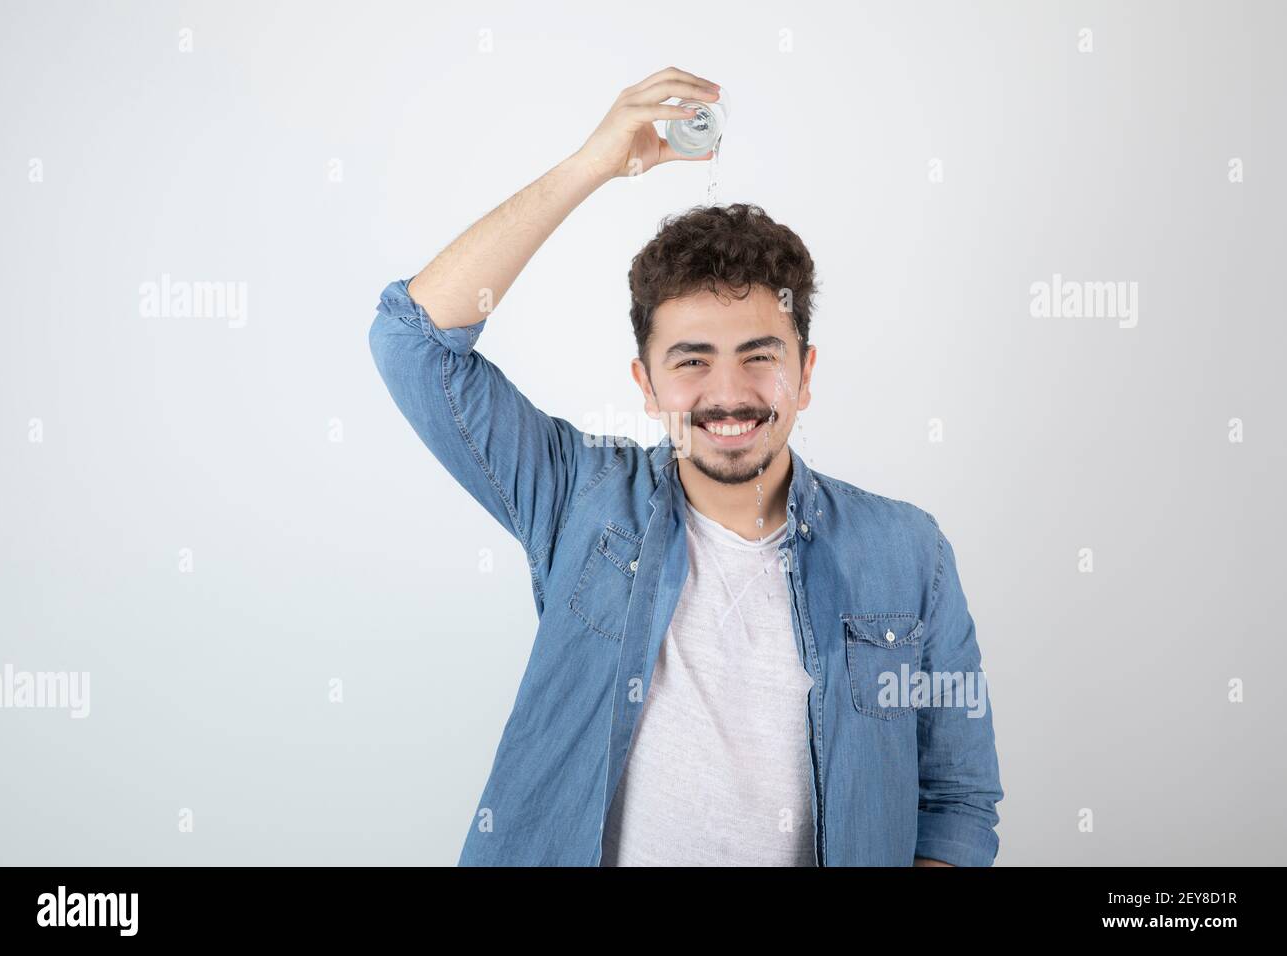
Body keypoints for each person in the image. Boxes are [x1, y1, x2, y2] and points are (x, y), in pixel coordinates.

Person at [369, 66, 1003, 866]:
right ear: (645, 382)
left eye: (759, 355)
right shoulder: (582, 500)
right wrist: (589, 165)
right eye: (692, 360)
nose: (728, 394)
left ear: (806, 374)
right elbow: (414, 344)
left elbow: (956, 803)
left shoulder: (910, 553)